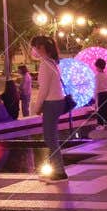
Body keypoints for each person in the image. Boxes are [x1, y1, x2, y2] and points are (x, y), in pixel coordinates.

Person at [31, 37, 68, 180]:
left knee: (50, 138)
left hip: (51, 103)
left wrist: (37, 107)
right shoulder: (53, 63)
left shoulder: (45, 65)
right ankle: (57, 170)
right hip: (57, 102)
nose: (33, 51)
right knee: (52, 137)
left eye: (34, 47)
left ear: (40, 47)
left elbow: (43, 89)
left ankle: (59, 171)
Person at [92, 58, 107, 128]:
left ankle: (100, 124)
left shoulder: (97, 76)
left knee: (99, 109)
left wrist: (94, 97)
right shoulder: (106, 75)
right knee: (105, 109)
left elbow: (96, 87)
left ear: (98, 67)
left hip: (100, 94)